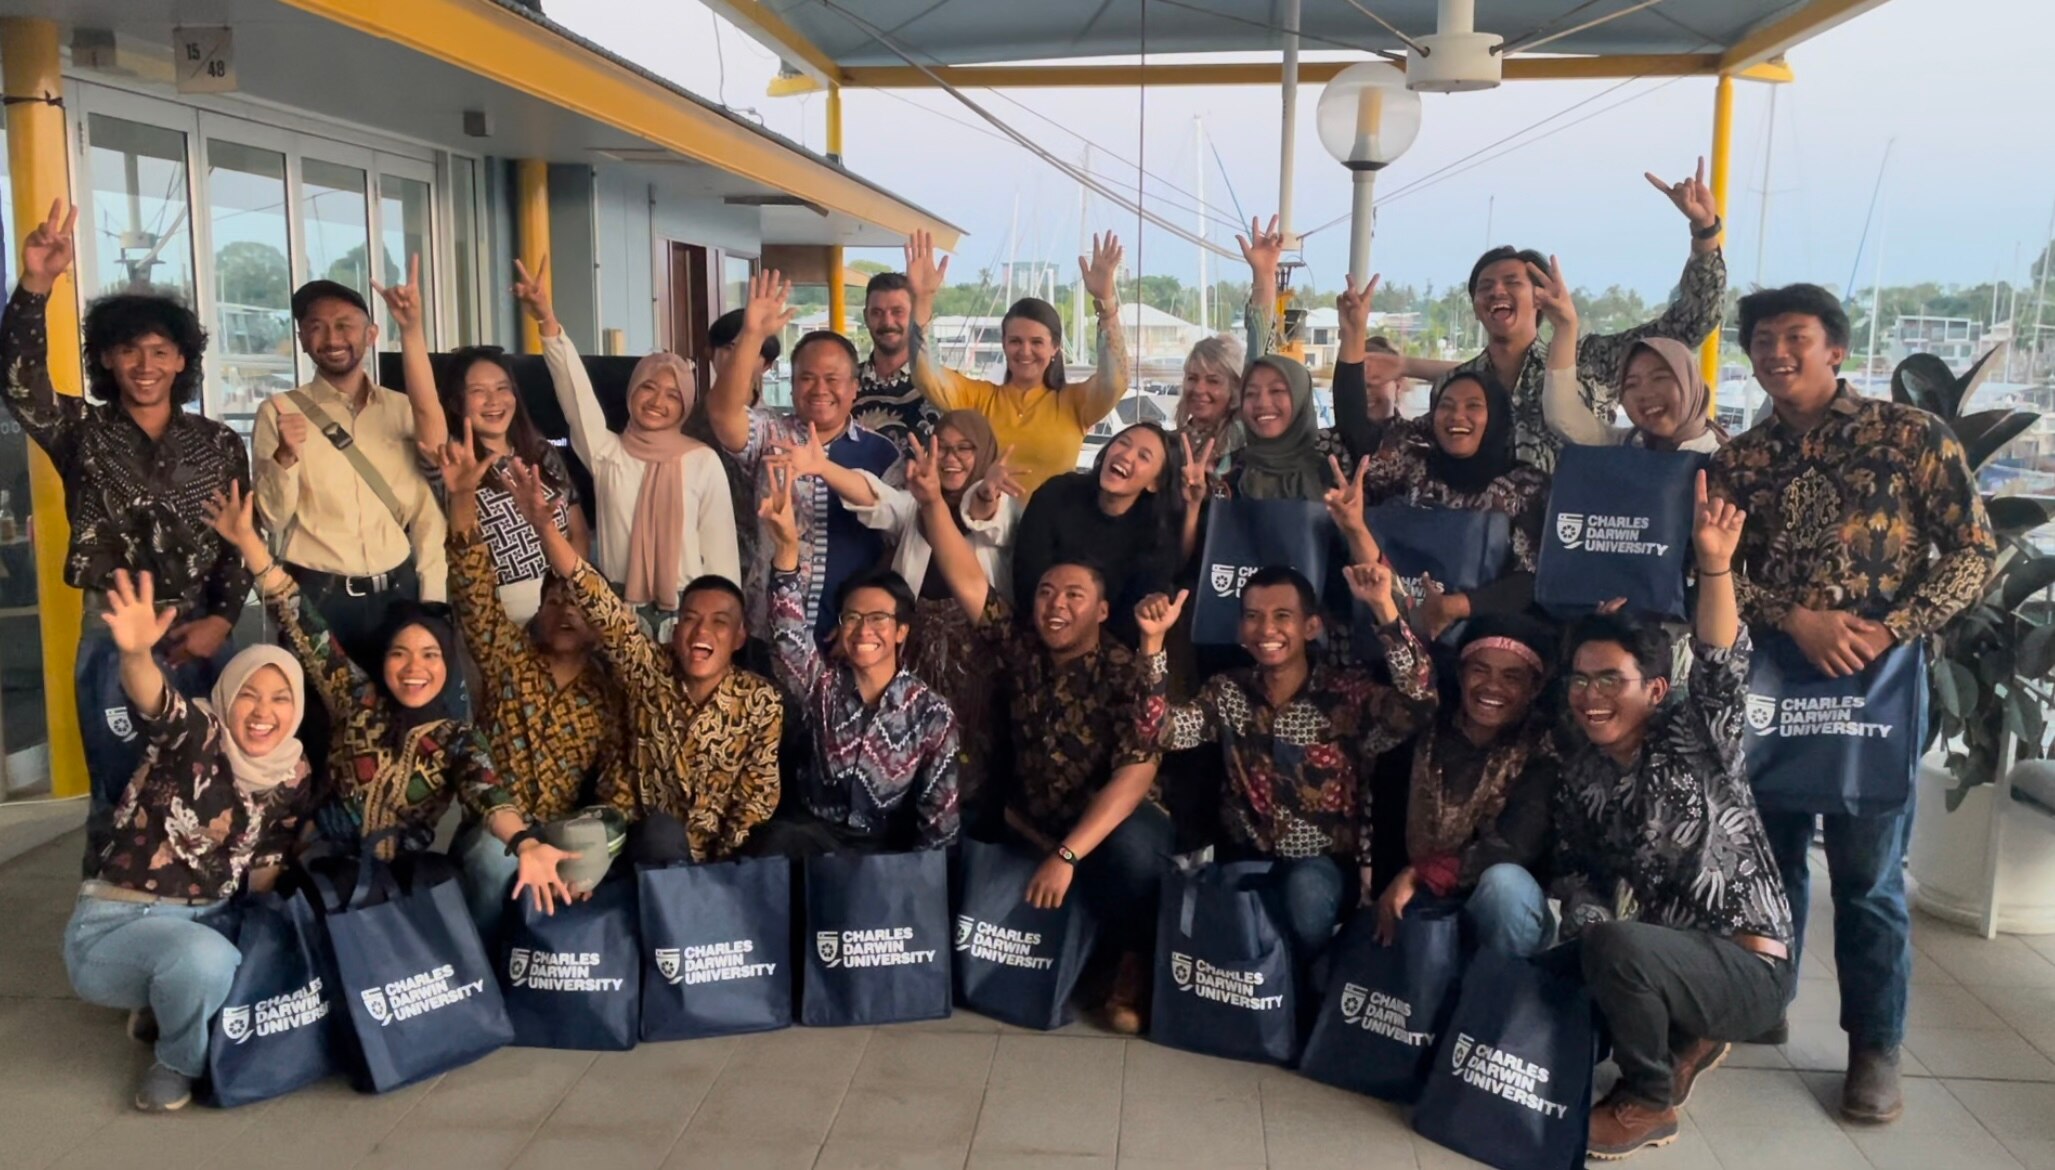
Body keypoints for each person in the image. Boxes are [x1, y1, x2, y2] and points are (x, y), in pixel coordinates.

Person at [1708, 283, 1995, 1124]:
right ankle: (1765, 1002)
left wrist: (1890, 627)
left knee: (1868, 879)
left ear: (1834, 348)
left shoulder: (1910, 438)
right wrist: (1793, 617)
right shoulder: (1741, 459)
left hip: (1876, 687)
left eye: (1793, 337)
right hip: (1775, 688)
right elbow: (1717, 569)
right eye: (1761, 340)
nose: (1774, 353)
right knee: (1771, 861)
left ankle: (1874, 1047)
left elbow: (1974, 549)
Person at [0, 200, 251, 874]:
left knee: (216, 774)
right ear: (107, 358)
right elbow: (20, 386)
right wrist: (35, 288)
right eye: (129, 350)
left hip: (196, 628)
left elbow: (238, 542)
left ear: (181, 362)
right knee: (121, 782)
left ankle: (212, 892)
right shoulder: (80, 432)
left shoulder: (220, 444)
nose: (144, 364)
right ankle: (114, 907)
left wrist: (223, 620)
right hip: (111, 627)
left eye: (160, 351)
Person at [1553, 472, 1796, 1159]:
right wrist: (1583, 914)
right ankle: (1685, 1038)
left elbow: (1719, 661)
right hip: (1676, 959)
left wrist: (1714, 565)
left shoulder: (1697, 737)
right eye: (1579, 679)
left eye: (1611, 680)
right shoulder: (1584, 777)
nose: (1590, 695)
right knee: (1587, 944)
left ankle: (1647, 1100)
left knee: (1616, 948)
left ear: (1655, 689)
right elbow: (1574, 867)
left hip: (1750, 969)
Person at [207, 484, 579, 910]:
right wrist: (249, 543)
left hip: (400, 877)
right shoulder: (355, 695)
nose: (414, 668)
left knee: (440, 889)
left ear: (446, 664)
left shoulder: (456, 738)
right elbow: (299, 618)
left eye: (429, 655)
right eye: (400, 654)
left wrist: (524, 841)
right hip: (329, 866)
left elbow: (489, 792)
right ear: (384, 661)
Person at [911, 439, 1168, 1029]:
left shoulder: (1128, 670)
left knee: (1134, 853)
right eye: (1048, 593)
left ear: (1102, 613)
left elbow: (1137, 774)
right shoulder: (1023, 647)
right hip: (1029, 817)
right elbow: (967, 578)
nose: (1055, 605)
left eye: (1074, 596)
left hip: (1103, 832)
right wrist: (930, 504)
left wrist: (1068, 853)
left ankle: (1131, 959)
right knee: (953, 817)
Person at [62, 569, 317, 1112]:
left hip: (214, 918)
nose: (264, 712)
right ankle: (178, 1063)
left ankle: (170, 1001)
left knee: (243, 953)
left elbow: (267, 864)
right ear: (226, 696)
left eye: (279, 698)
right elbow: (158, 701)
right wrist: (135, 655)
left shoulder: (290, 772)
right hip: (119, 925)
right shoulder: (196, 736)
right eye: (248, 695)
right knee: (204, 962)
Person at [1133, 561, 1436, 974]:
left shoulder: (1347, 693)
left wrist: (1384, 608)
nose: (1266, 630)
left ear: (1311, 627)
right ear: (1240, 630)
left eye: (1282, 617)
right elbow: (1157, 734)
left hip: (1323, 870)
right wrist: (1152, 644)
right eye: (1253, 617)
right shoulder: (1227, 690)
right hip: (1243, 863)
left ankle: (1304, 978)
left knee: (1306, 893)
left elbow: (1420, 703)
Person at [505, 458, 783, 862]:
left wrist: (722, 875)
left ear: (739, 637)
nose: (702, 632)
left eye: (719, 623)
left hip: (725, 867)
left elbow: (756, 801)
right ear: (675, 628)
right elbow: (599, 604)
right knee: (659, 832)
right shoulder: (648, 670)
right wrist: (546, 529)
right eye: (691, 619)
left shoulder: (761, 701)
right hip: (650, 853)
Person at [1415, 161, 1727, 473]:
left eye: (1512, 283)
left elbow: (1692, 320)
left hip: (1582, 515)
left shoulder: (1591, 359)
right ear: (1475, 305)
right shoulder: (1454, 385)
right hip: (1487, 519)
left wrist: (1705, 232)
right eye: (1485, 287)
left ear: (1541, 297)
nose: (1497, 291)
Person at [782, 411, 1024, 806]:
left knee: (973, 757)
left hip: (979, 657)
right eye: (941, 446)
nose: (951, 457)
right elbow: (874, 496)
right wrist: (823, 466)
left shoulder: (1005, 504)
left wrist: (985, 494)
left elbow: (988, 519)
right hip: (912, 652)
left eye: (965, 448)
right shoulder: (914, 508)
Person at [440, 432, 628, 940]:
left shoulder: (612, 691)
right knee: (490, 859)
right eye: (553, 601)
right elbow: (473, 585)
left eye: (577, 603)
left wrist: (596, 848)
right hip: (495, 831)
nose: (566, 609)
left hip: (565, 830)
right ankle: (478, 963)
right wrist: (461, 502)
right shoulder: (507, 656)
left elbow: (617, 785)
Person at [749, 466, 960, 856]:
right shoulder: (821, 687)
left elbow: (939, 818)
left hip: (884, 851)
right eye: (853, 617)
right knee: (774, 843)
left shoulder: (931, 714)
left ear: (901, 630)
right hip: (817, 838)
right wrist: (787, 551)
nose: (864, 630)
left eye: (878, 618)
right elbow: (788, 636)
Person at [378, 258, 591, 625]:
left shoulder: (541, 452)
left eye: (502, 389)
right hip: (494, 615)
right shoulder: (455, 460)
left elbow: (577, 529)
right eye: (478, 392)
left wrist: (573, 593)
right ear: (459, 401)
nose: (494, 401)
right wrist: (411, 330)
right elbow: (425, 408)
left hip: (563, 607)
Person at [533, 260, 738, 640]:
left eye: (673, 395)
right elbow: (575, 398)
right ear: (632, 391)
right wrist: (548, 323)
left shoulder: (701, 460)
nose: (658, 401)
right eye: (648, 387)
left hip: (689, 615)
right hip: (617, 609)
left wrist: (725, 624)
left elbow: (721, 551)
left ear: (686, 405)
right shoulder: (609, 453)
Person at [705, 271, 903, 643]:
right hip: (770, 631)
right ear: (792, 384)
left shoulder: (883, 451)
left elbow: (899, 540)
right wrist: (752, 333)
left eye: (833, 378)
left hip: (853, 640)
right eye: (807, 378)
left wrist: (863, 618)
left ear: (855, 389)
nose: (820, 389)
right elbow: (722, 412)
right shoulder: (769, 433)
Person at [253, 277, 448, 653]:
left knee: (402, 706)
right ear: (302, 340)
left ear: (371, 334)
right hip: (318, 597)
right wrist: (285, 457)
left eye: (344, 325)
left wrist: (433, 597)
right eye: (316, 327)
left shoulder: (401, 409)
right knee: (319, 710)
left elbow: (426, 515)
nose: (331, 338)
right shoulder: (279, 412)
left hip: (398, 594)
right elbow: (272, 519)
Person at [1373, 615, 1559, 957]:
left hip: (1498, 912)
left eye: (1511, 677)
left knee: (1504, 886)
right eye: (1480, 670)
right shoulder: (1425, 734)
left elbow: (1514, 845)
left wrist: (1419, 875)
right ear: (1460, 675)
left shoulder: (1545, 750)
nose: (1492, 686)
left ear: (1534, 689)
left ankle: (1501, 996)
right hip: (1419, 902)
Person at [905, 229, 1131, 492]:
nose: (1025, 351)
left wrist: (1106, 303)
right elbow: (926, 375)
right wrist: (922, 300)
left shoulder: (1073, 403)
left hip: (1050, 530)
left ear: (1055, 348)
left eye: (1037, 343)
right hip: (984, 527)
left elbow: (1115, 381)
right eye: (1015, 341)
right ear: (1004, 344)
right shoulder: (979, 398)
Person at [1358, 370, 1550, 639]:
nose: (1457, 416)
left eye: (1473, 406)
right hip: (1393, 641)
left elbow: (1532, 579)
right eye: (1446, 406)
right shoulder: (1409, 466)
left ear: (1495, 417)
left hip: (1484, 650)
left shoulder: (1526, 485)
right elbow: (1355, 438)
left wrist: (1453, 607)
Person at [1011, 421, 1182, 648]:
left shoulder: (1157, 532)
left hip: (1108, 651)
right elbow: (1027, 578)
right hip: (1037, 631)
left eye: (1143, 456)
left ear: (1155, 483)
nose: (1126, 455)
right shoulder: (1057, 493)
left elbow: (1135, 615)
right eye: (1123, 443)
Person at [1535, 257, 1727, 453]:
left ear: (1691, 386)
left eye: (1659, 378)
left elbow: (1698, 315)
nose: (1646, 393)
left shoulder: (1728, 461)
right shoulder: (1626, 446)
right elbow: (1564, 416)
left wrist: (1705, 236)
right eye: (1631, 384)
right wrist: (1565, 326)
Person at [851, 270, 938, 451]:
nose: (887, 322)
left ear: (914, 315)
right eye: (877, 312)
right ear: (866, 316)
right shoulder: (843, 384)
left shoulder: (939, 386)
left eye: (897, 312)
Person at [709, 304, 783, 409]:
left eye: (751, 352)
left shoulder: (773, 424)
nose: (738, 358)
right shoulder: (687, 416)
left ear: (766, 365)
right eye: (729, 348)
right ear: (711, 353)